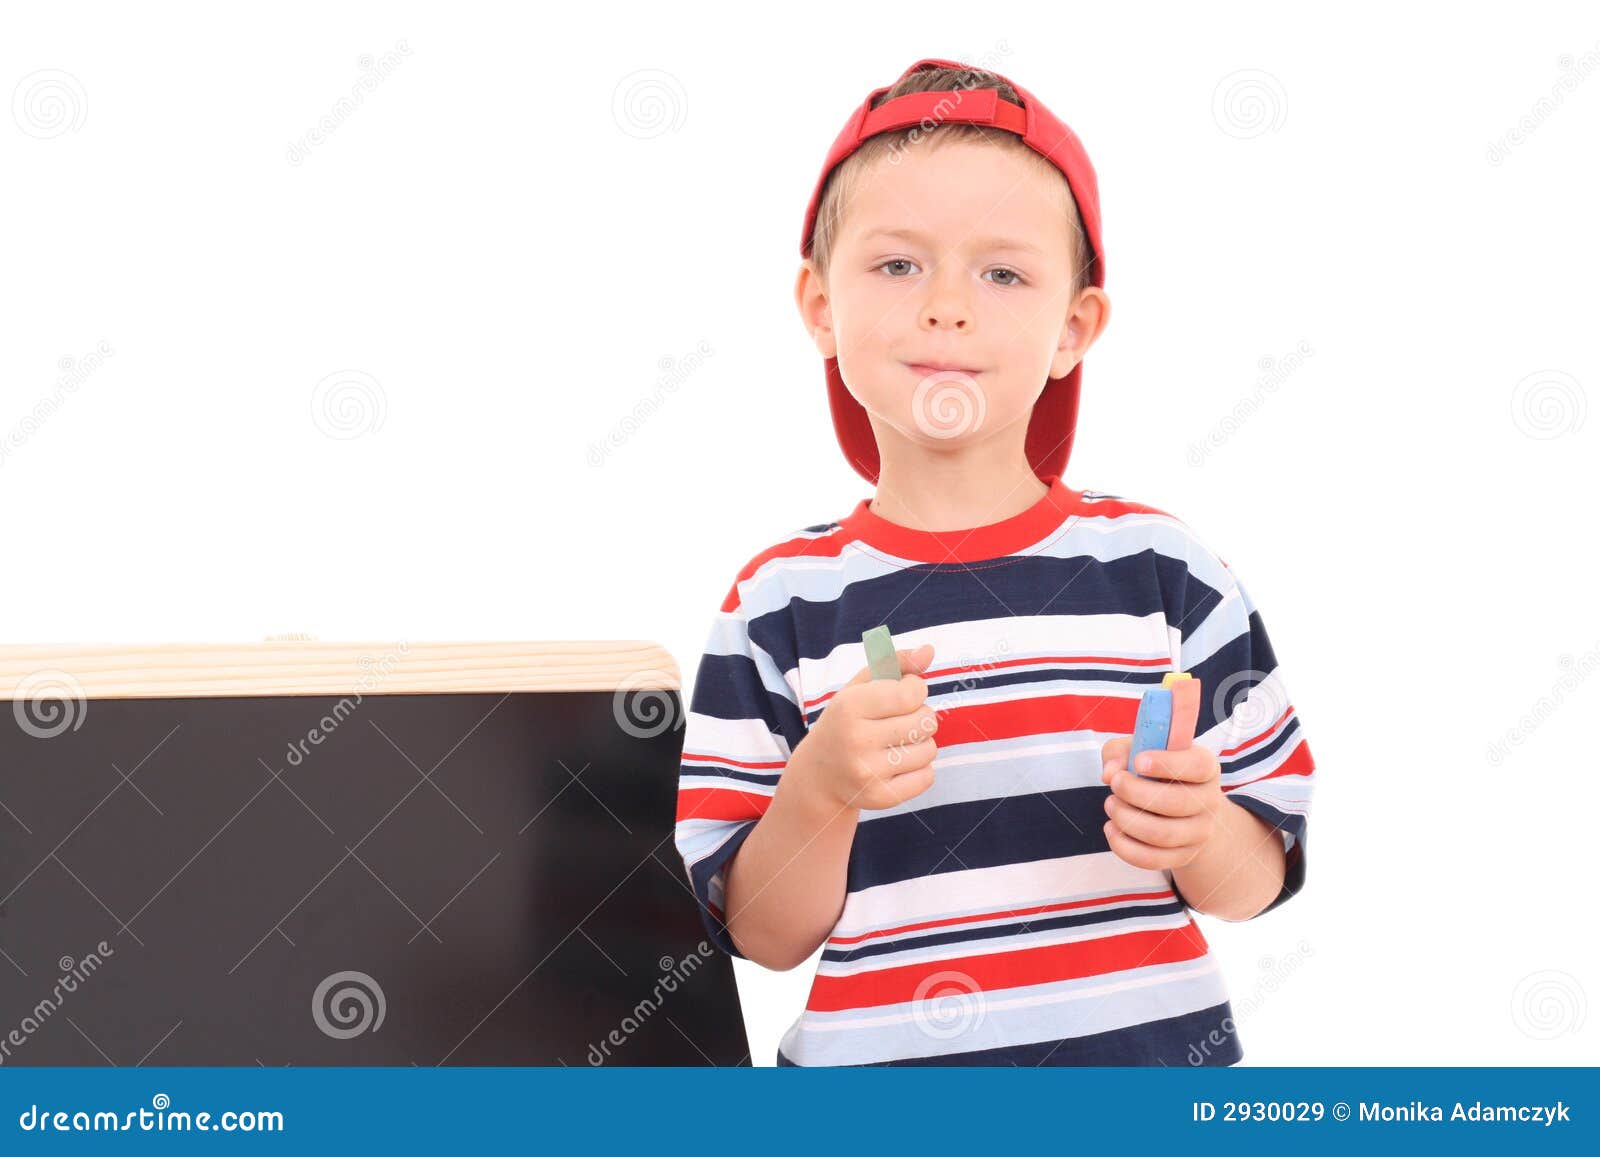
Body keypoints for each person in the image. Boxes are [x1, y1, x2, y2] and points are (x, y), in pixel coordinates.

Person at [673, 58, 1316, 1066]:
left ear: (1073, 328)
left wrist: (1198, 832)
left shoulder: (1165, 573)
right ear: (818, 307)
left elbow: (1260, 872)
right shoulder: (777, 603)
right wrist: (819, 790)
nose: (947, 306)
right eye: (897, 265)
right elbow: (761, 934)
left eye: (1002, 272)